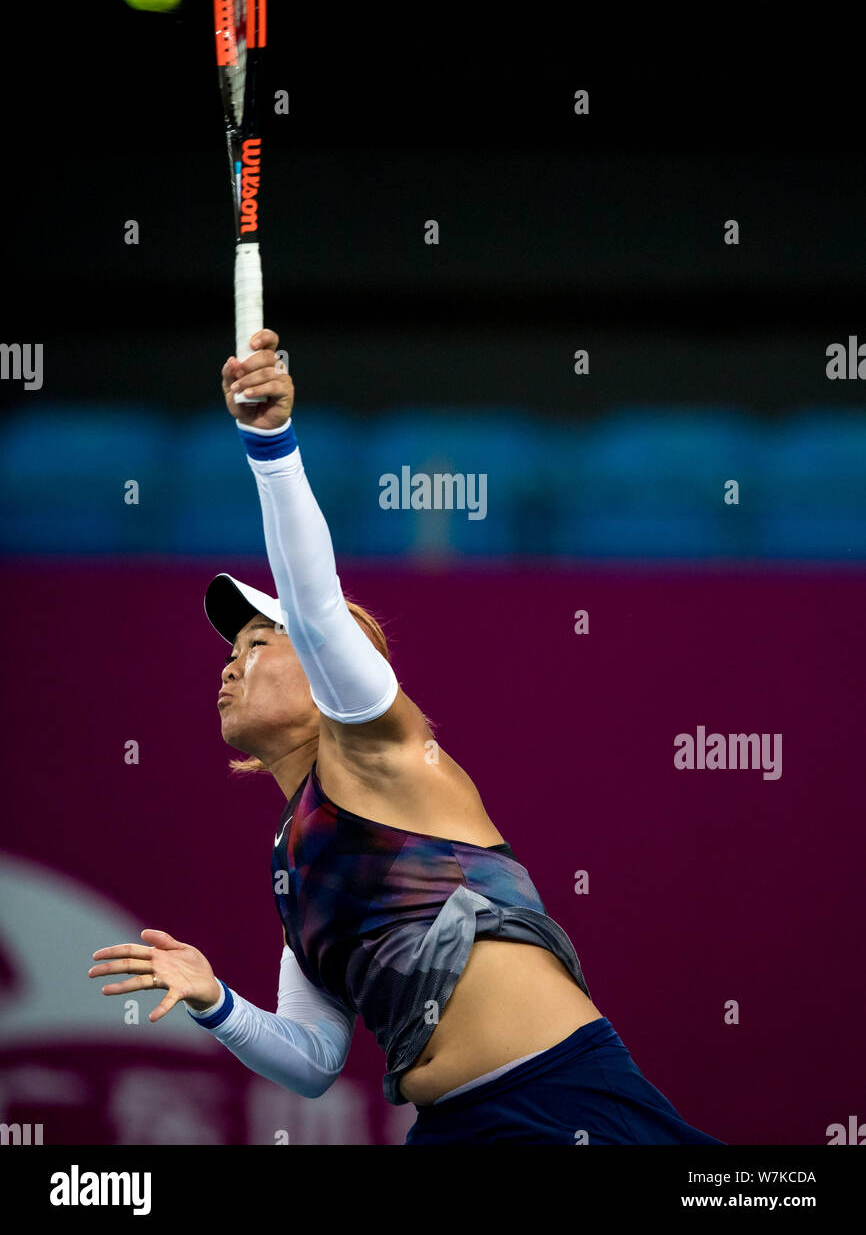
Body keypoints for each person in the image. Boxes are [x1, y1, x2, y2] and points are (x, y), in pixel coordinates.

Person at [89, 328, 724, 1145]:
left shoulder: (381, 750)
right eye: (230, 649)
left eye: (256, 645)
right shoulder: (298, 859)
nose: (230, 665)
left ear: (324, 678)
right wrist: (216, 1002)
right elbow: (316, 1060)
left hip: (567, 1102)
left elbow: (315, 611)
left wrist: (270, 446)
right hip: (452, 1126)